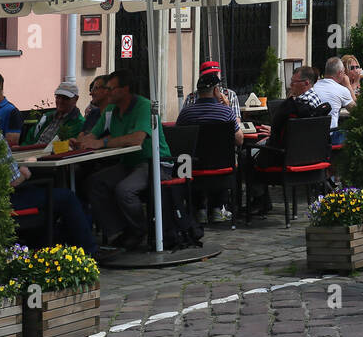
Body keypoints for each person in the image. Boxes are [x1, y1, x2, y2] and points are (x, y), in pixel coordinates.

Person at [0, 88, 97, 254]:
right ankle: (89, 252)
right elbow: (12, 182)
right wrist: (25, 171)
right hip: (3, 201)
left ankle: (47, 246)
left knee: (45, 194)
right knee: (67, 197)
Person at [76, 69, 172, 251]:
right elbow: (92, 135)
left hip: (154, 163)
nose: (107, 93)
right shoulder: (111, 110)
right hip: (129, 162)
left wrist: (102, 142)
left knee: (124, 190)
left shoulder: (144, 106)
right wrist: (80, 141)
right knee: (94, 183)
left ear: (125, 89)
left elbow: (137, 139)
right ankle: (119, 231)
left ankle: (138, 231)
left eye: (111, 89)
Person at [177, 71, 244, 223]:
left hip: (193, 167)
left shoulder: (186, 113)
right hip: (221, 168)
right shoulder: (226, 112)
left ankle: (199, 209)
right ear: (215, 91)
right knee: (227, 157)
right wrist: (228, 107)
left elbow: (179, 139)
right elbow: (239, 140)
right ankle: (217, 208)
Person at [30, 81, 85, 145]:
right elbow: (29, 139)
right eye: (58, 97)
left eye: (65, 98)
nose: (60, 101)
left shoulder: (79, 124)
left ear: (76, 99)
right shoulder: (46, 117)